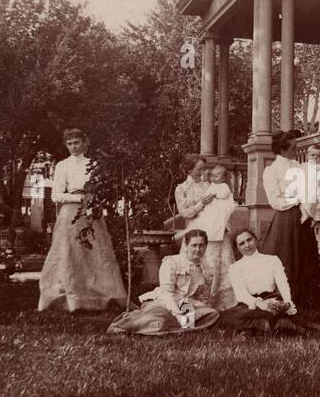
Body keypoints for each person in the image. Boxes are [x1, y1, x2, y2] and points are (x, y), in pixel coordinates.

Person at [37, 127, 126, 313]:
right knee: (70, 253)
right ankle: (72, 297)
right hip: (71, 214)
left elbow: (102, 188)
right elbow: (56, 195)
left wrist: (96, 198)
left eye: (77, 142)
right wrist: (79, 198)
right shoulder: (63, 165)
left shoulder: (94, 163)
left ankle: (98, 296)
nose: (73, 147)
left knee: (96, 252)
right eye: (69, 143)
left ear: (85, 143)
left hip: (92, 213)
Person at [107, 228, 221, 336]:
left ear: (206, 246)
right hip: (164, 303)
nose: (197, 249)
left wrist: (200, 308)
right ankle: (128, 323)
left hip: (186, 305)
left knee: (212, 314)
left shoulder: (206, 268)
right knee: (159, 321)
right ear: (186, 245)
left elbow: (202, 297)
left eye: (201, 245)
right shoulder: (171, 262)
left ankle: (180, 326)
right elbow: (166, 294)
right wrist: (177, 314)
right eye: (194, 245)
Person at [260, 130, 320, 306]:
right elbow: (275, 201)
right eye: (293, 147)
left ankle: (306, 300)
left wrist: (309, 209)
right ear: (283, 149)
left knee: (305, 257)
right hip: (286, 218)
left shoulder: (298, 166)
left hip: (303, 215)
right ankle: (285, 299)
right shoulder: (271, 171)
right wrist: (297, 199)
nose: (296, 150)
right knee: (287, 257)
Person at [219, 229, 304, 335]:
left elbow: (283, 283)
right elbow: (241, 293)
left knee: (274, 309)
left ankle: (258, 327)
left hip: (272, 298)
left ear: (256, 240)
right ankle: (275, 325)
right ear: (237, 248)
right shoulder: (235, 268)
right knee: (226, 317)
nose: (247, 245)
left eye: (249, 240)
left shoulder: (272, 260)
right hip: (251, 303)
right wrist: (260, 303)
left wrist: (287, 302)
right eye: (242, 243)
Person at [191, 163, 238, 308]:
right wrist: (203, 202)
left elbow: (226, 200)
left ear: (224, 177)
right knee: (205, 264)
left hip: (218, 226)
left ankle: (221, 300)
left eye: (217, 175)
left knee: (221, 264)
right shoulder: (186, 187)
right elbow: (191, 210)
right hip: (202, 226)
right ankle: (200, 299)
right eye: (200, 169)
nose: (213, 177)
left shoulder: (223, 187)